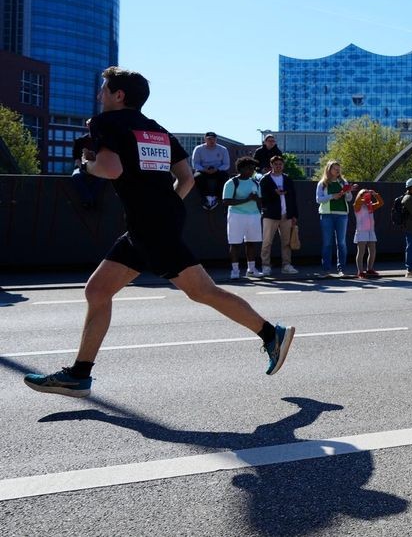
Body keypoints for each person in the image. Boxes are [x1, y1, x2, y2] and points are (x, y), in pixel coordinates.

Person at [23, 67, 294, 398]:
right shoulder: (157, 131)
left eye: (104, 90)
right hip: (152, 223)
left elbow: (110, 169)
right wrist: (167, 205)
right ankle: (79, 375)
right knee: (97, 291)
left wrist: (85, 163)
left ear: (119, 95)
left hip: (150, 225)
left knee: (202, 291)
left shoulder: (106, 123)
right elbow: (187, 177)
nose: (99, 96)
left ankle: (270, 334)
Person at [223, 156, 264, 279]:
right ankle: (235, 271)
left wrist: (257, 200)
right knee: (234, 243)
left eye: (253, 168)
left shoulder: (256, 182)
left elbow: (261, 200)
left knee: (251, 243)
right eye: (249, 168)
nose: (252, 171)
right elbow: (226, 202)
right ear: (241, 169)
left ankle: (251, 269)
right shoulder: (231, 183)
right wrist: (247, 199)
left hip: (254, 215)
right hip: (236, 215)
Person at [259, 155, 299, 276]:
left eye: (280, 164)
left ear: (283, 165)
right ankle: (265, 266)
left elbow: (293, 198)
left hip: (286, 215)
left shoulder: (287, 179)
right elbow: (261, 198)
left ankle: (286, 265)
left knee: (286, 242)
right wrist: (274, 193)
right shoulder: (265, 179)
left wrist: (294, 215)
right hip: (270, 215)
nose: (278, 166)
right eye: (275, 164)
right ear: (271, 165)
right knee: (267, 242)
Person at [315, 160, 355, 277]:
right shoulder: (322, 183)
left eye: (339, 169)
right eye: (335, 168)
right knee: (327, 243)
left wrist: (347, 192)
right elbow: (319, 199)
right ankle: (326, 270)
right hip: (327, 215)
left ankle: (342, 269)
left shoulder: (343, 182)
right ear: (329, 169)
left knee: (342, 243)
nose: (337, 171)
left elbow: (349, 199)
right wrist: (332, 196)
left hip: (342, 215)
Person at [191, 131, 230, 210]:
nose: (212, 141)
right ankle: (206, 197)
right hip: (203, 170)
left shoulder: (223, 149)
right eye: (209, 139)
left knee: (224, 176)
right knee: (197, 177)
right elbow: (195, 164)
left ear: (216, 140)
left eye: (213, 139)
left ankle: (217, 197)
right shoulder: (198, 149)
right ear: (205, 139)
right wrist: (203, 169)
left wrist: (217, 169)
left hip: (218, 170)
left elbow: (226, 164)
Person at [71, 129, 106, 209]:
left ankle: (88, 201)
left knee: (102, 179)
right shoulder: (80, 141)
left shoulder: (102, 142)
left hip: (97, 168)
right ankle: (90, 200)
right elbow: (76, 158)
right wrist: (83, 169)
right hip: (82, 167)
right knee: (76, 176)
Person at [353, 187, 383, 278]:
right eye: (365, 194)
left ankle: (370, 269)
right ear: (360, 196)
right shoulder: (357, 205)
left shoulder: (370, 205)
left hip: (371, 231)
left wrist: (375, 194)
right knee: (361, 251)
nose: (367, 196)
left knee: (372, 250)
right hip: (361, 231)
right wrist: (362, 195)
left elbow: (381, 203)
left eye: (368, 195)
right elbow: (358, 201)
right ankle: (360, 271)